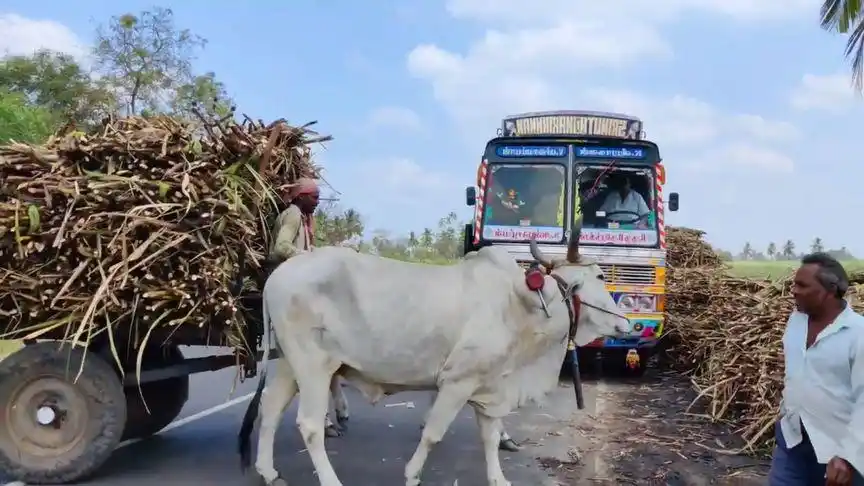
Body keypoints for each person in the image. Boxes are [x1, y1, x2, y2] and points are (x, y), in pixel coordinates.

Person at [769, 253, 864, 486]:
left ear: (830, 290)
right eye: (794, 283)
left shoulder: (858, 333)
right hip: (792, 441)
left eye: (802, 285)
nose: (793, 290)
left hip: (838, 454)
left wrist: (849, 456)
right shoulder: (796, 322)